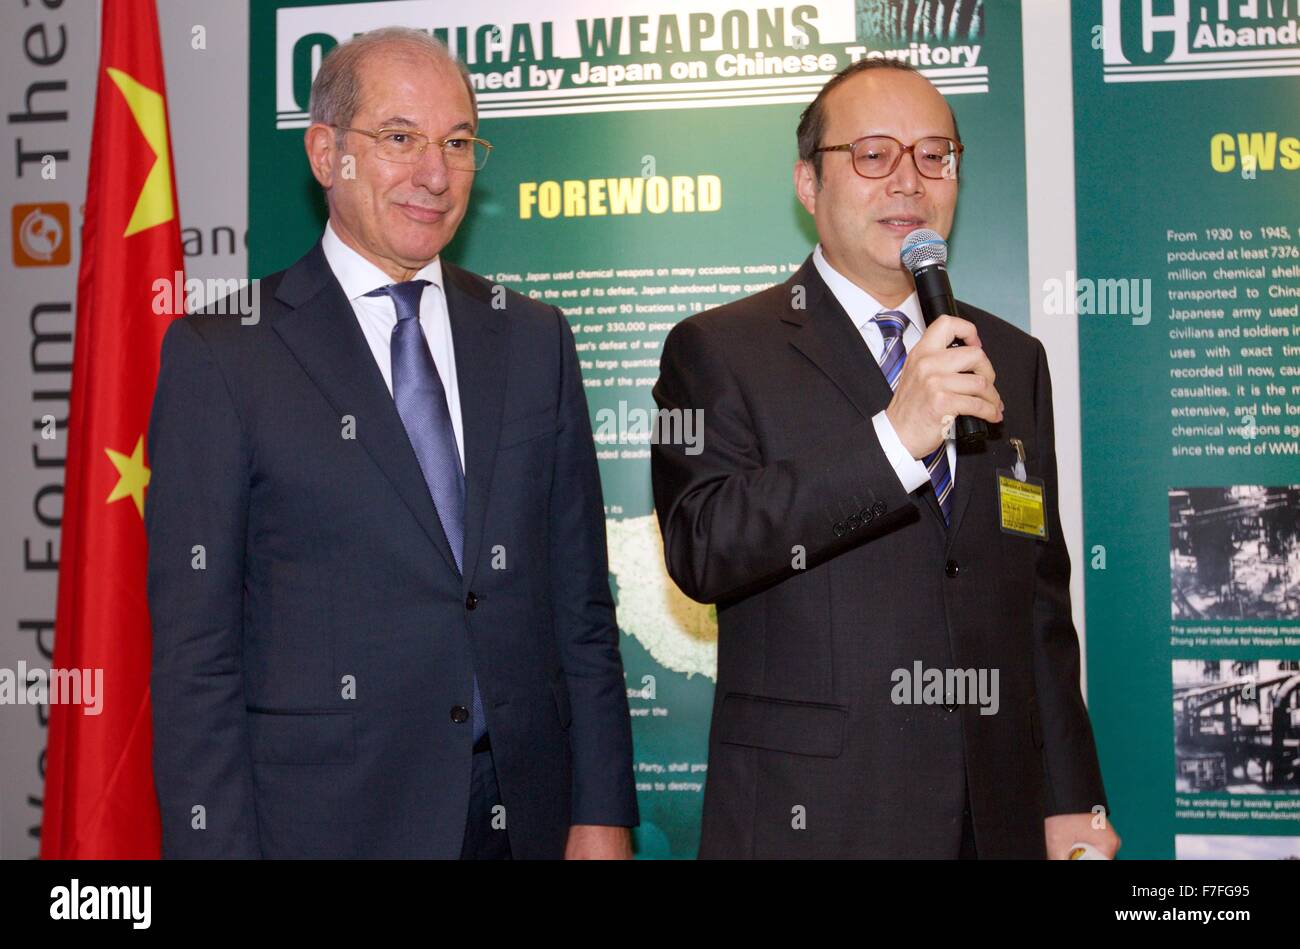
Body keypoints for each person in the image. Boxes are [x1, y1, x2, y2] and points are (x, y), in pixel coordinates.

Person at [146, 27, 636, 859]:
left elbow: (581, 610)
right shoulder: (224, 352)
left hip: (520, 814)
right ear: (326, 152)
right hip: (323, 823)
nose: (436, 175)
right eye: (401, 139)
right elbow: (197, 658)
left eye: (456, 143)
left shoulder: (533, 339)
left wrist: (601, 809)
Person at [651, 59, 1119, 858]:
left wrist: (1076, 799)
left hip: (995, 816)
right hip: (821, 815)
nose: (910, 180)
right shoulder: (720, 349)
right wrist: (893, 439)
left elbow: (1039, 598)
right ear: (808, 183)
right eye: (873, 155)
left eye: (935, 155)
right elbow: (704, 545)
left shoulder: (1008, 352)